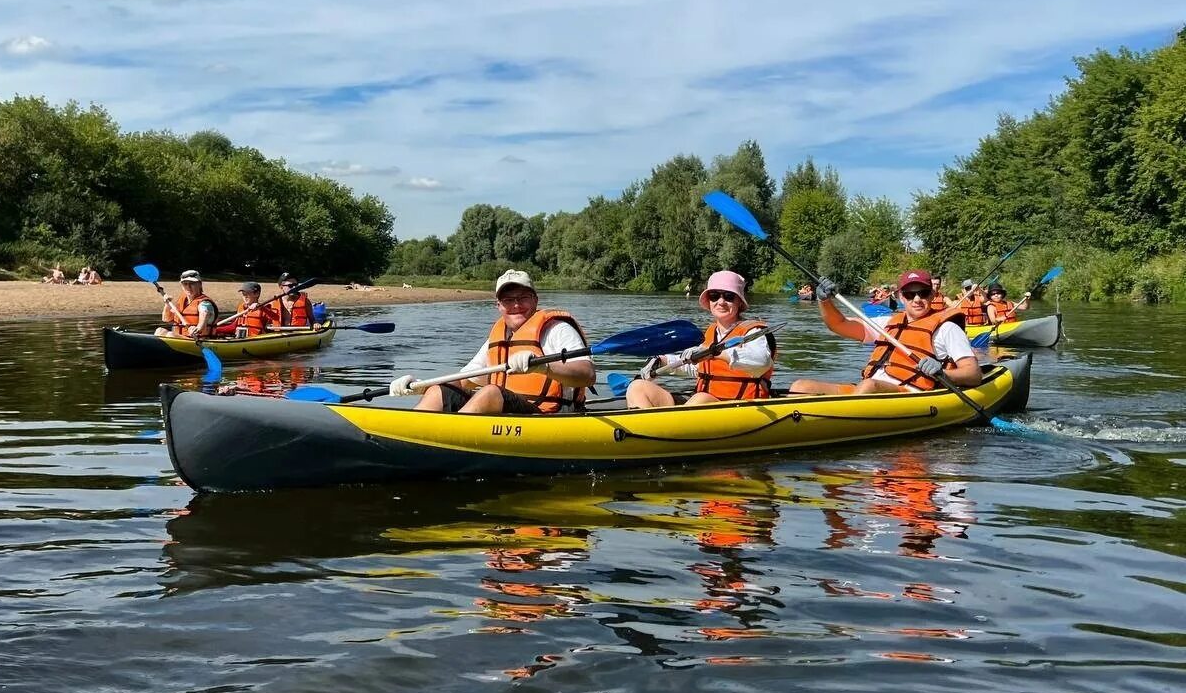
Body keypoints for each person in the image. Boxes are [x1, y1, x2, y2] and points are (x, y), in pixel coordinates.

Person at [389, 269, 595, 414]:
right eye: (508, 300)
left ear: (535, 300)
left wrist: (544, 367)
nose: (516, 305)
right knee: (440, 391)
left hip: (549, 415)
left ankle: (447, 441)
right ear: (498, 305)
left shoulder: (557, 329)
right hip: (509, 417)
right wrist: (420, 386)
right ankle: (409, 434)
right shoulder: (498, 337)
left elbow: (587, 375)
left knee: (490, 393)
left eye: (523, 297)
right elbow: (465, 380)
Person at [788, 269, 981, 395]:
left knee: (869, 386)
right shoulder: (887, 322)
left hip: (908, 394)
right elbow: (838, 325)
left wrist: (944, 373)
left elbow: (973, 374)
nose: (916, 299)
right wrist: (824, 301)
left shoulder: (947, 328)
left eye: (922, 293)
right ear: (900, 297)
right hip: (867, 391)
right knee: (800, 387)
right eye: (909, 294)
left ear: (932, 295)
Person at [625, 270, 776, 409]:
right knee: (637, 387)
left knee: (700, 399)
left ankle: (668, 431)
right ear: (709, 301)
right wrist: (663, 360)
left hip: (739, 408)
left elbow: (762, 362)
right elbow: (698, 368)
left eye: (729, 296)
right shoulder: (710, 333)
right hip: (705, 405)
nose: (721, 302)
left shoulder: (754, 332)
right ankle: (648, 433)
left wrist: (715, 353)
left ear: (740, 302)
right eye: (714, 296)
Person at [155, 269, 219, 338]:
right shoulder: (182, 301)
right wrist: (167, 305)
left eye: (192, 283)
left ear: (200, 284)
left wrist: (197, 329)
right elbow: (166, 319)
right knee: (159, 331)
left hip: (199, 339)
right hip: (182, 337)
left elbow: (204, 318)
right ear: (182, 286)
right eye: (185, 284)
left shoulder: (205, 304)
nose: (188, 287)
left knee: (170, 335)